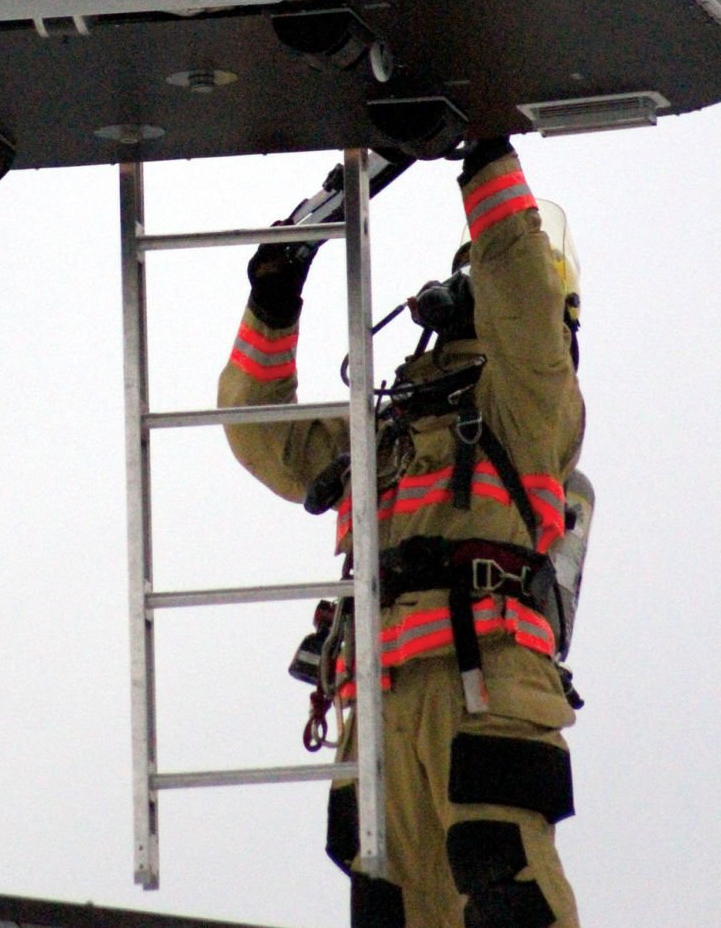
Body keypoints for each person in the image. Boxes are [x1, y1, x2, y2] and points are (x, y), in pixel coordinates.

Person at [219, 138, 584, 927]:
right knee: (387, 907)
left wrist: (484, 154)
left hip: (482, 682)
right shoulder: (377, 431)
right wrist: (273, 306)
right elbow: (261, 435)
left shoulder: (529, 402)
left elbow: (523, 305)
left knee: (503, 886)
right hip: (377, 704)